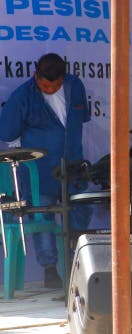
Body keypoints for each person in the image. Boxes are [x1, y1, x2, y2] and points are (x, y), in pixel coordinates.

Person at [0, 53, 92, 289]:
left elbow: (81, 119)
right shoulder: (22, 96)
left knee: (81, 210)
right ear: (35, 75)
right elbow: (7, 133)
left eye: (55, 85)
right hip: (40, 171)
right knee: (42, 215)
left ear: (64, 77)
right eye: (44, 85)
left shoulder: (75, 87)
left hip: (73, 165)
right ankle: (50, 270)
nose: (50, 89)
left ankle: (78, 265)